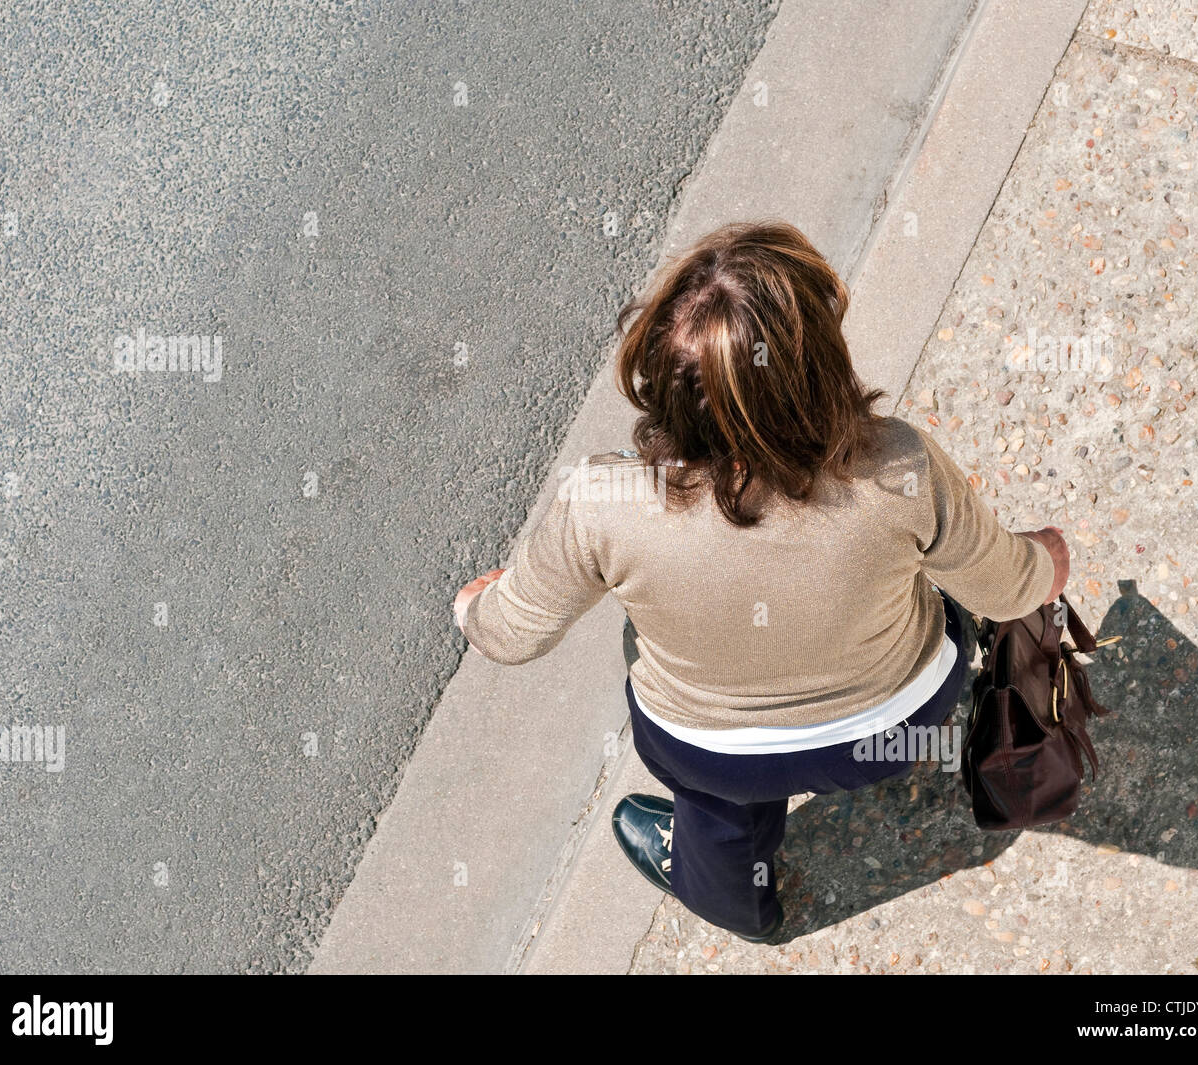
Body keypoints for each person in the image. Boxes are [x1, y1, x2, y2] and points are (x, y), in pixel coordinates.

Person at [453, 220, 1069, 944]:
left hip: (708, 747)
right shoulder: (901, 466)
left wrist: (474, 605)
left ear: (658, 373)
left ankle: (739, 901)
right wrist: (1050, 555)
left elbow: (512, 633)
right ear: (822, 359)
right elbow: (1008, 589)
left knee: (717, 815)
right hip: (894, 727)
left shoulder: (600, 503)